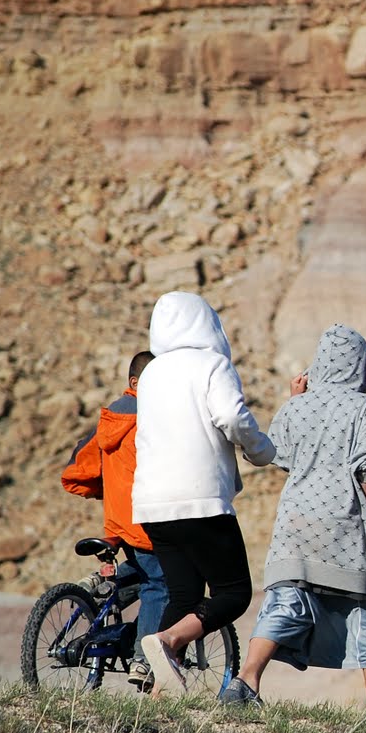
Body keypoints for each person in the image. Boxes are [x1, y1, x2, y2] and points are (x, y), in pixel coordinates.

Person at [220, 324, 366, 709]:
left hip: (296, 523)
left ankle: (246, 679)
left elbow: (276, 455)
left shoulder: (296, 406)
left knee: (285, 601)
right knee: (362, 605)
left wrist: (296, 401)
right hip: (345, 521)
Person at [133, 291, 275, 694]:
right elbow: (231, 416)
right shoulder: (212, 364)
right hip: (199, 499)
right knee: (234, 593)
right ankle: (169, 641)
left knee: (184, 593)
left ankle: (157, 694)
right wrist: (260, 449)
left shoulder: (153, 374)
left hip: (151, 502)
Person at [61, 350, 164, 688]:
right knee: (159, 583)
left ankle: (102, 583)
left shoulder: (111, 416)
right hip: (145, 522)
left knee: (143, 567)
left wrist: (108, 488)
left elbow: (79, 465)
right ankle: (143, 661)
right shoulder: (151, 419)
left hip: (119, 522)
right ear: (135, 382)